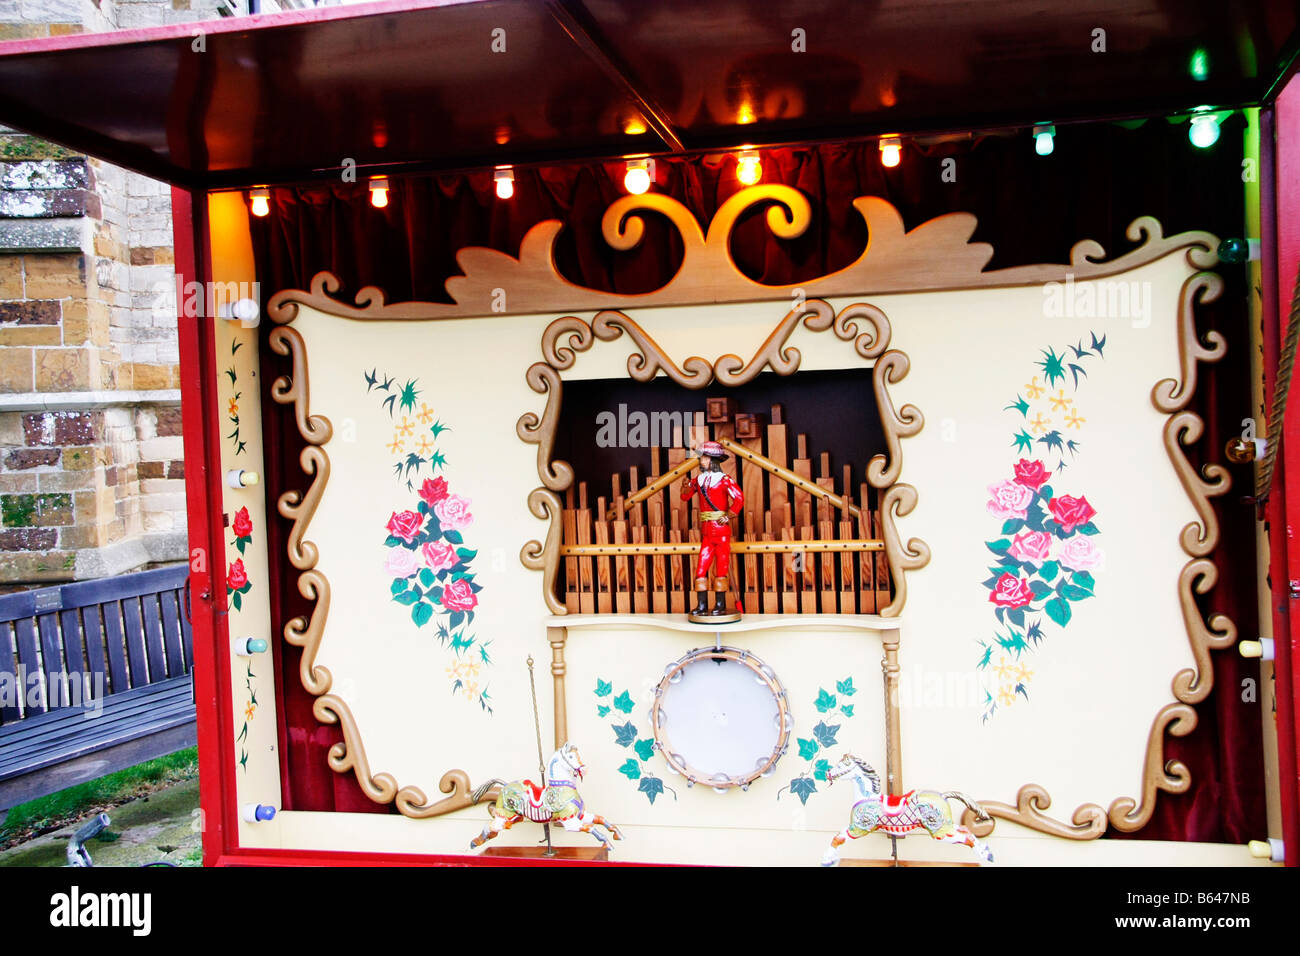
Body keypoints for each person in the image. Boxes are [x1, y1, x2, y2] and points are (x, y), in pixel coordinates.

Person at [680, 441, 744, 617]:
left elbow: (739, 499)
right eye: (702, 457)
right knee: (701, 569)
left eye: (705, 458)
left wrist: (729, 515)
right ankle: (701, 605)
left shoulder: (725, 480)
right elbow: (685, 497)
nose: (702, 461)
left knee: (721, 569)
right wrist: (684, 486)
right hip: (706, 533)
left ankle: (719, 605)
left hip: (721, 531)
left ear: (714, 460)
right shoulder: (699, 480)